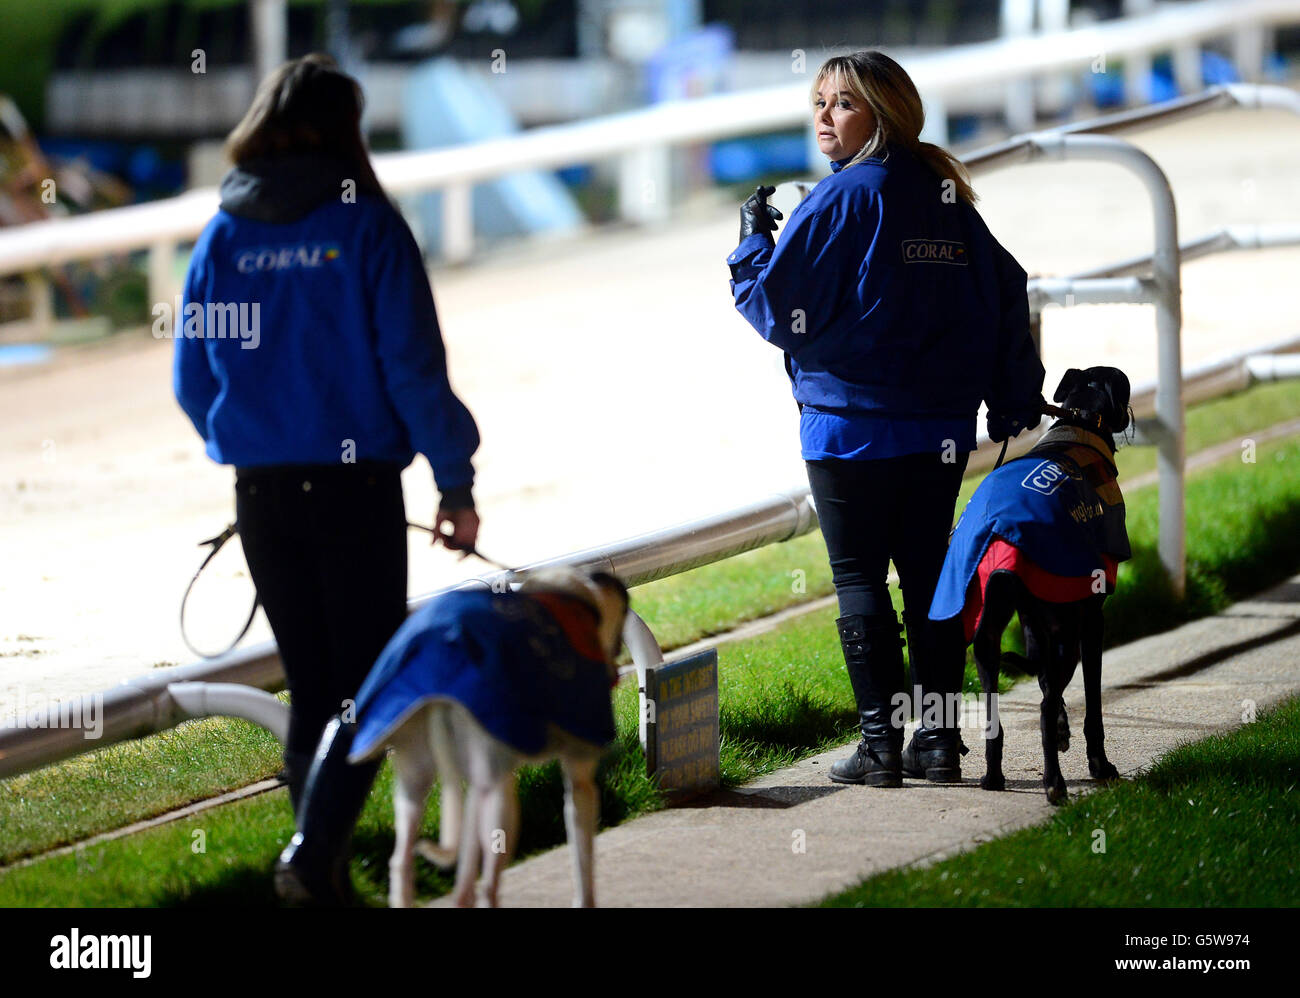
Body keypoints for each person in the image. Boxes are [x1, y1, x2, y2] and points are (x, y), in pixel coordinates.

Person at [173, 53, 481, 900]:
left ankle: (319, 867)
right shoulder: (366, 225)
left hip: (262, 491)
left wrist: (257, 441)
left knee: (315, 686)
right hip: (354, 493)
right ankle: (312, 857)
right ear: (347, 127)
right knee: (366, 685)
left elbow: (192, 381)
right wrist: (455, 484)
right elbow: (413, 368)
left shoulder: (223, 235)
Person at [726, 50, 1045, 787]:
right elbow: (1008, 287)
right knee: (931, 576)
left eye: (842, 103)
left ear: (883, 111)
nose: (824, 118)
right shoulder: (946, 197)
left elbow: (776, 311)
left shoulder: (843, 198)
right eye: (818, 102)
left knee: (860, 579)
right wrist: (1013, 393)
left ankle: (879, 748)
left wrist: (751, 246)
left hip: (849, 425)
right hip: (938, 429)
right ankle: (937, 742)